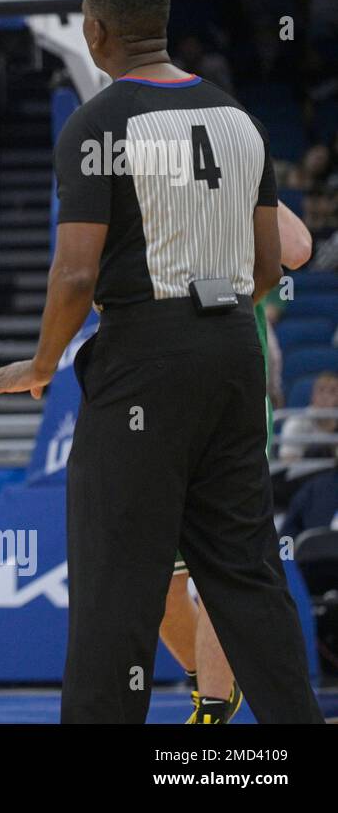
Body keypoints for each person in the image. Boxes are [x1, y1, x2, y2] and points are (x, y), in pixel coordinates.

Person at [0, 0, 324, 724]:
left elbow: (74, 273)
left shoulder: (98, 122)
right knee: (247, 571)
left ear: (95, 33)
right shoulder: (238, 116)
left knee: (113, 579)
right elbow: (271, 262)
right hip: (235, 349)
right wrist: (214, 321)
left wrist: (40, 364)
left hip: (143, 358)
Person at [158, 202, 313, 724]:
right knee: (155, 579)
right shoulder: (145, 173)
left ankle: (214, 706)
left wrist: (254, 177)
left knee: (224, 566)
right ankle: (213, 680)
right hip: (154, 389)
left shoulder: (237, 168)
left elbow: (297, 249)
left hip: (231, 389)